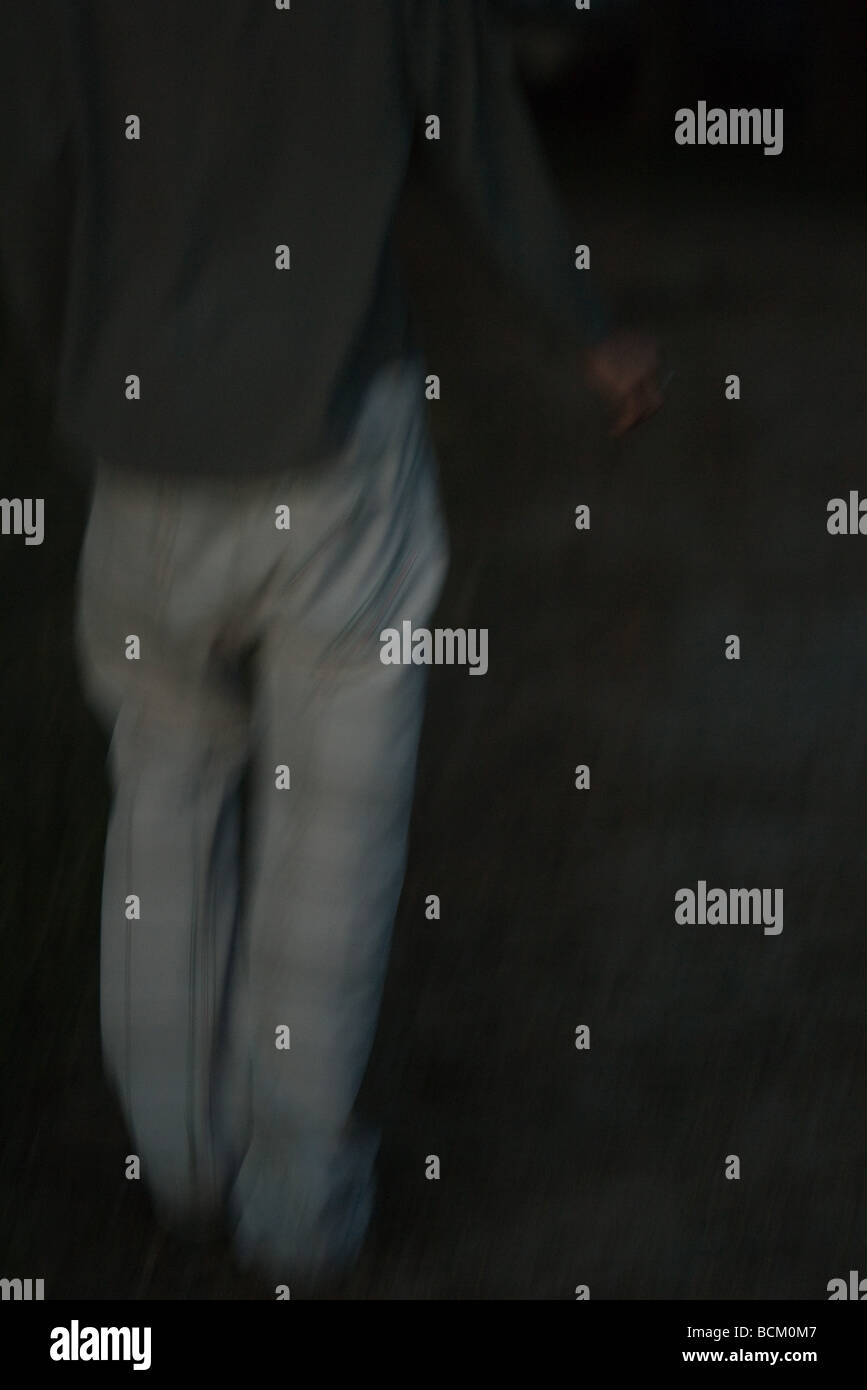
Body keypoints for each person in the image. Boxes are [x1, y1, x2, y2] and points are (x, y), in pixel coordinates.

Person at [0, 0, 661, 1288]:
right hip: (339, 447)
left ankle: (181, 1160)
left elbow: (30, 174)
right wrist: (590, 326)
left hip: (143, 455)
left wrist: (79, 363)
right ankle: (297, 1209)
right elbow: (479, 127)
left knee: (166, 780)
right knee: (333, 838)